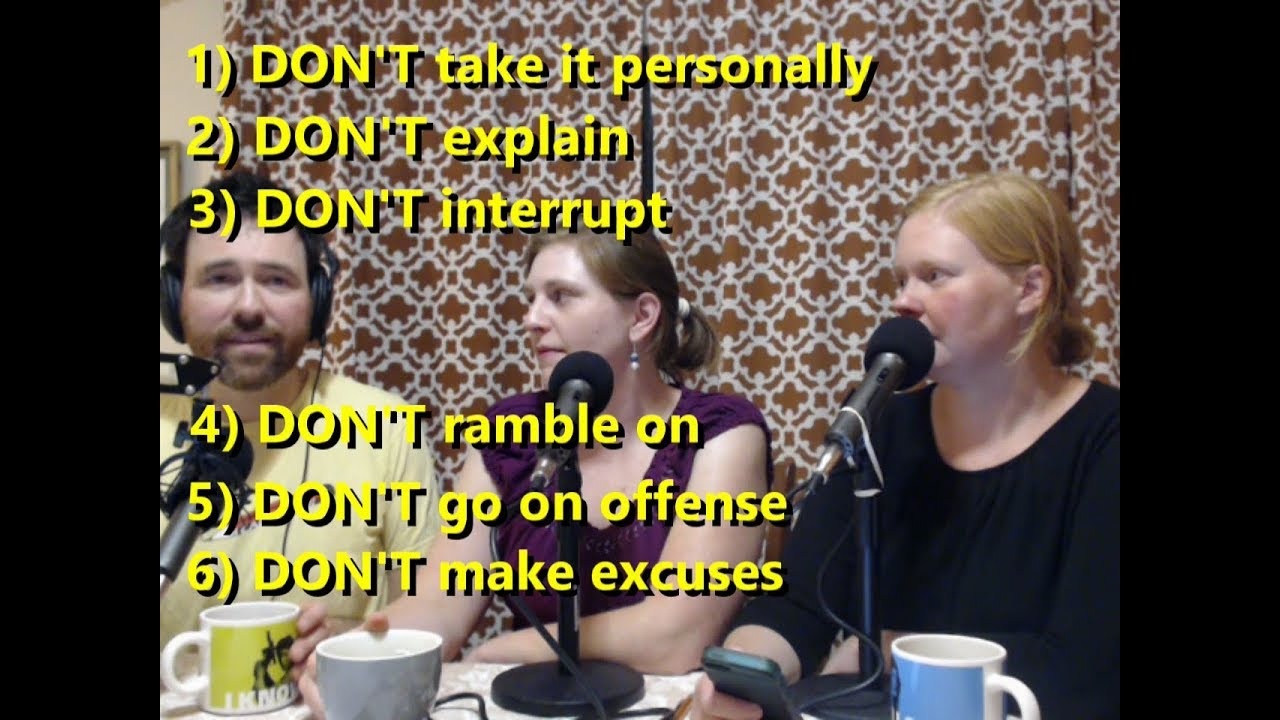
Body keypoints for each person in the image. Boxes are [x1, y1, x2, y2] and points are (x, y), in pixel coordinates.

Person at [691, 171, 1120, 720]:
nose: (903, 302)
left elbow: (1087, 668)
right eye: (901, 279)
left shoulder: (1105, 439)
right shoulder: (880, 425)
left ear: (1030, 289)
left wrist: (887, 650)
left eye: (934, 276)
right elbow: (798, 606)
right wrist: (744, 671)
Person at [298, 229, 776, 715]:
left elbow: (678, 634)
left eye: (561, 297)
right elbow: (441, 602)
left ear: (641, 317)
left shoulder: (722, 434)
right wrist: (355, 654)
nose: (531, 320)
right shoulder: (506, 434)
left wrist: (508, 649)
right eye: (531, 299)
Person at [159, 171, 441, 677]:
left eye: (276, 280)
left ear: (317, 300)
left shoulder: (387, 427)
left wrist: (350, 648)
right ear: (174, 298)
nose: (249, 308)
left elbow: (427, 619)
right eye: (220, 279)